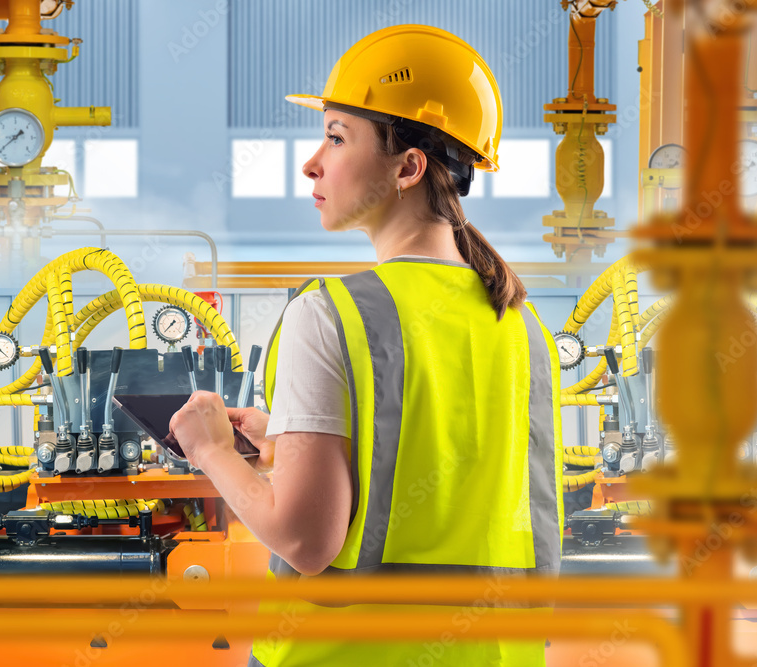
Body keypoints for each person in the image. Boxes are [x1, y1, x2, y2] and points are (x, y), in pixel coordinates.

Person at [169, 24, 563, 666]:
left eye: (336, 137)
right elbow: (442, 474)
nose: (312, 163)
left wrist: (211, 450)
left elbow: (305, 541)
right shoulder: (522, 324)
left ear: (408, 167)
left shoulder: (330, 313)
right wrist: (291, 441)